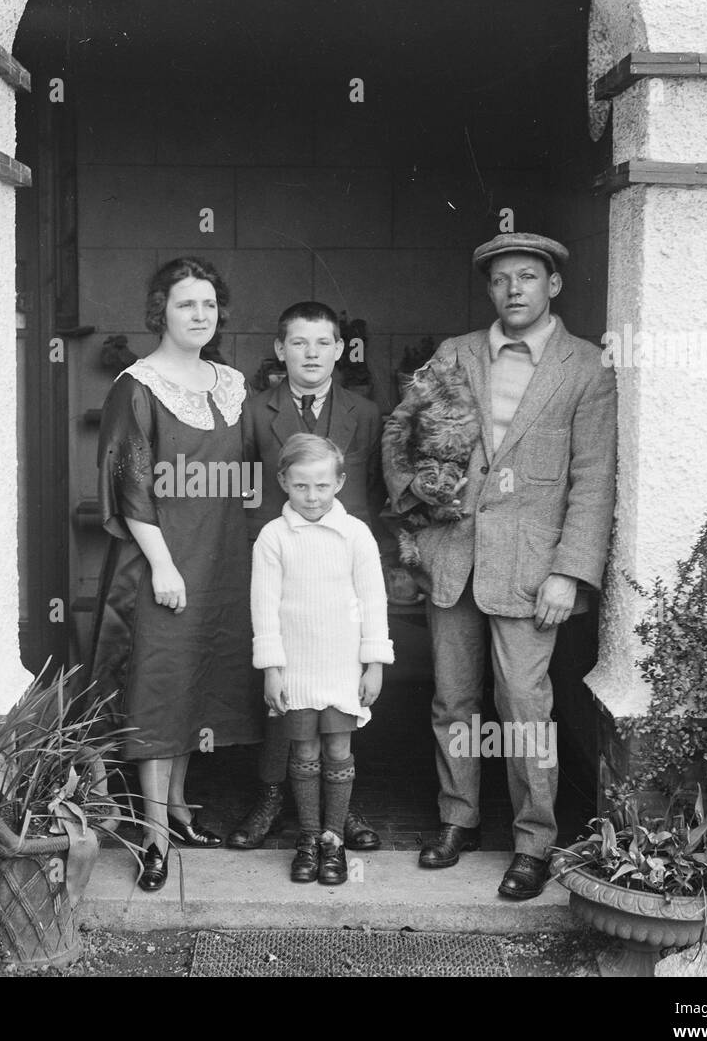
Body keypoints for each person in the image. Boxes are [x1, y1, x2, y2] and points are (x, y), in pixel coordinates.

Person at [383, 232, 617, 900]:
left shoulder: (587, 368)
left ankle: (533, 841)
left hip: (532, 570)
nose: (512, 289)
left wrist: (570, 571)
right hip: (453, 559)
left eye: (526, 277)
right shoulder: (455, 355)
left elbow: (593, 481)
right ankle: (457, 819)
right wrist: (419, 519)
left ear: (554, 286)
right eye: (500, 279)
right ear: (488, 290)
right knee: (452, 698)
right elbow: (401, 438)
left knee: (523, 706)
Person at [88, 256, 260, 893]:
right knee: (160, 690)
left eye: (210, 305)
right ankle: (153, 833)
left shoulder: (231, 383)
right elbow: (131, 486)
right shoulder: (137, 385)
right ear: (159, 309)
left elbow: (248, 475)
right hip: (160, 561)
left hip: (219, 559)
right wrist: (162, 565)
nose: (200, 316)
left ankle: (182, 808)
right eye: (187, 304)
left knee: (196, 683)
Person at [226, 301, 388, 852]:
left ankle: (340, 814)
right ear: (280, 350)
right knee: (281, 694)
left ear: (340, 350)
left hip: (341, 567)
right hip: (280, 563)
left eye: (323, 343)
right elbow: (240, 493)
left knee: (342, 700)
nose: (311, 353)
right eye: (299, 343)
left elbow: (374, 493)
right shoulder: (254, 411)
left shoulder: (365, 412)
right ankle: (273, 796)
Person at [251, 434, 394, 884]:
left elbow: (374, 602)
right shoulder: (273, 537)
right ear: (282, 483)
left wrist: (374, 662)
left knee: (338, 748)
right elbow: (264, 607)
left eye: (321, 486)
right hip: (297, 667)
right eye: (300, 487)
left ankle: (335, 839)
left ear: (340, 482)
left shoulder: (356, 535)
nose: (312, 497)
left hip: (341, 665)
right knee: (304, 750)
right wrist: (272, 669)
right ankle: (309, 838)